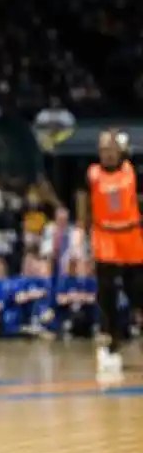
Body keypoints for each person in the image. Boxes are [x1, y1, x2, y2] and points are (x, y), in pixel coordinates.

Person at [78, 128, 143, 373]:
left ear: (120, 150)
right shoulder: (91, 174)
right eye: (103, 149)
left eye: (111, 148)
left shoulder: (132, 170)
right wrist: (81, 229)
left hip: (131, 237)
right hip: (105, 237)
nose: (107, 153)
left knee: (137, 290)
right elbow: (82, 201)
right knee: (107, 293)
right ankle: (110, 343)